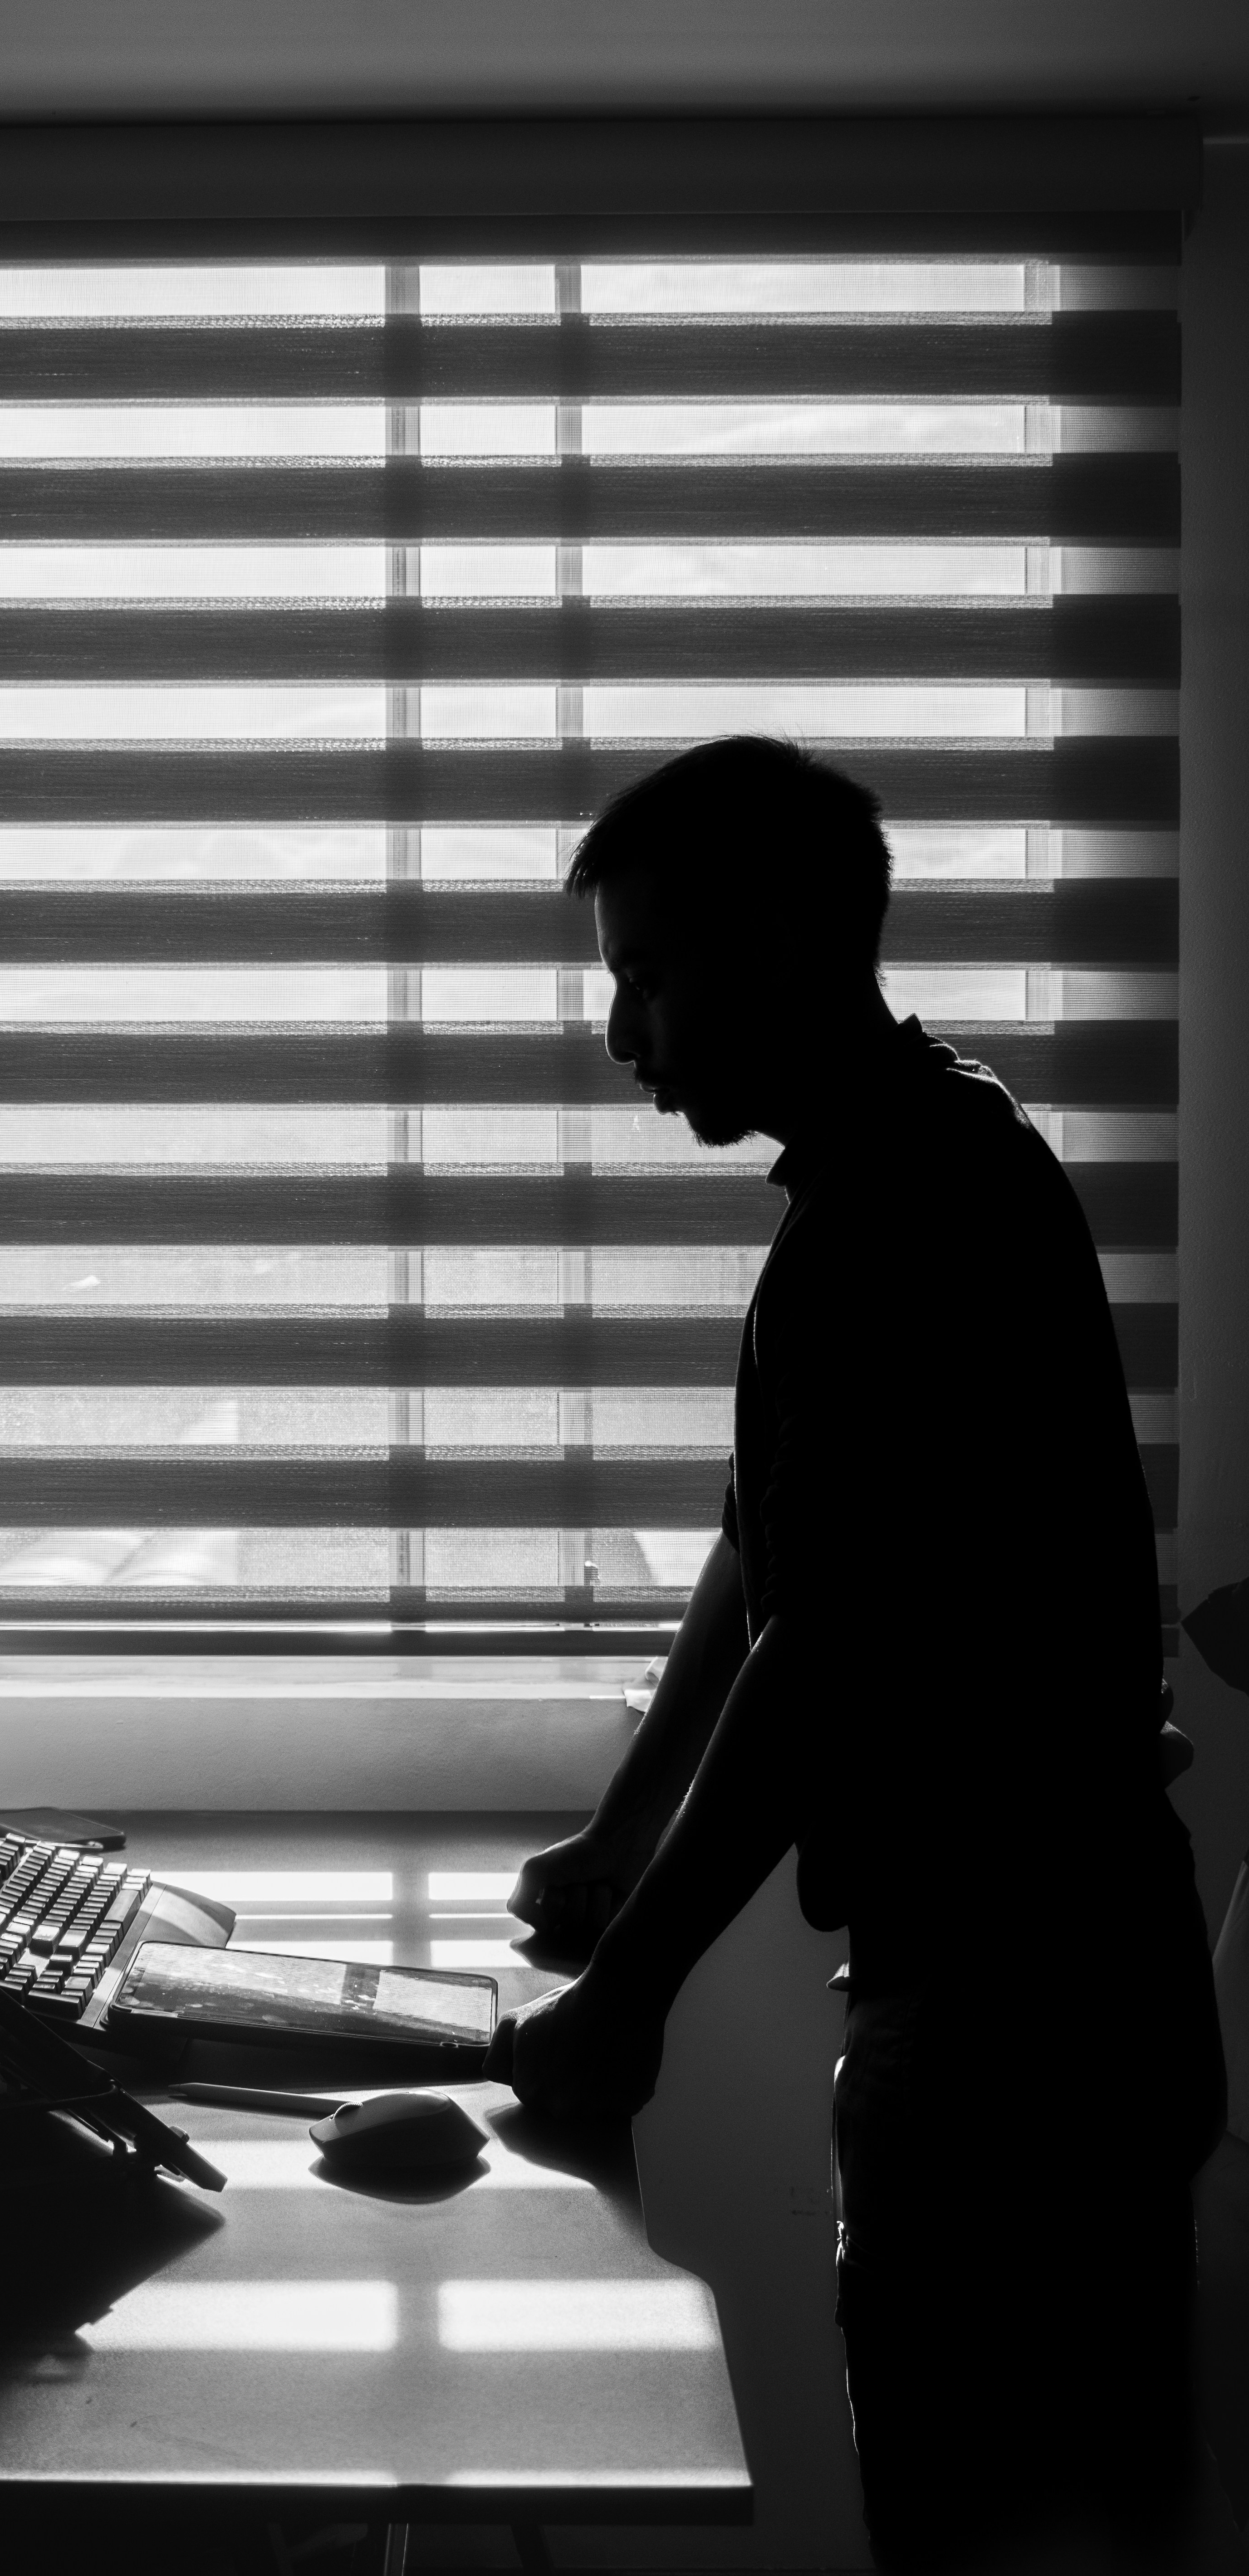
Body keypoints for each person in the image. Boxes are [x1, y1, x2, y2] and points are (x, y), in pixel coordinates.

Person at [481, 738, 1225, 2572]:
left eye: (646, 972)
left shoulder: (909, 1215)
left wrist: (629, 1990)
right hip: (1030, 1996)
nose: (616, 1031)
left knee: (981, 2528)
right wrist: (620, 1834)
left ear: (791, 946)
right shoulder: (886, 1167)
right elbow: (765, 1543)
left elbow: (831, 1646)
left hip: (1017, 2030)